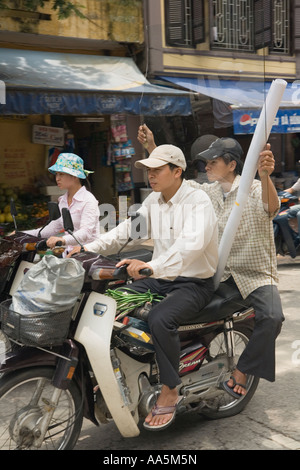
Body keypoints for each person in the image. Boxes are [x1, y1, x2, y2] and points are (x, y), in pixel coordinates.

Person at [69, 144, 219, 431]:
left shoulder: (198, 201)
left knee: (160, 318)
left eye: (157, 170)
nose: (151, 176)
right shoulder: (154, 201)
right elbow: (124, 233)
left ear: (177, 171)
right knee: (109, 301)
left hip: (193, 283)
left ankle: (170, 387)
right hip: (160, 277)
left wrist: (152, 266)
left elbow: (191, 246)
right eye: (148, 171)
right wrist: (83, 248)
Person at [137, 124, 284, 399]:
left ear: (231, 165)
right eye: (205, 162)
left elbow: (271, 207)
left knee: (273, 317)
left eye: (212, 162)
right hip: (221, 275)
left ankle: (242, 371)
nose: (206, 166)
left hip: (255, 275)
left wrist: (265, 176)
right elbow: (174, 177)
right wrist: (151, 148)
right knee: (175, 308)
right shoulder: (208, 192)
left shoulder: (253, 188)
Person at [24, 153, 100, 255]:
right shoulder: (63, 200)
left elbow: (85, 233)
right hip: (69, 255)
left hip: (88, 256)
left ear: (74, 176)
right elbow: (52, 228)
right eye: (57, 174)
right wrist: (22, 234)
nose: (57, 178)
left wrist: (62, 240)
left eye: (61, 174)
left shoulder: (88, 200)